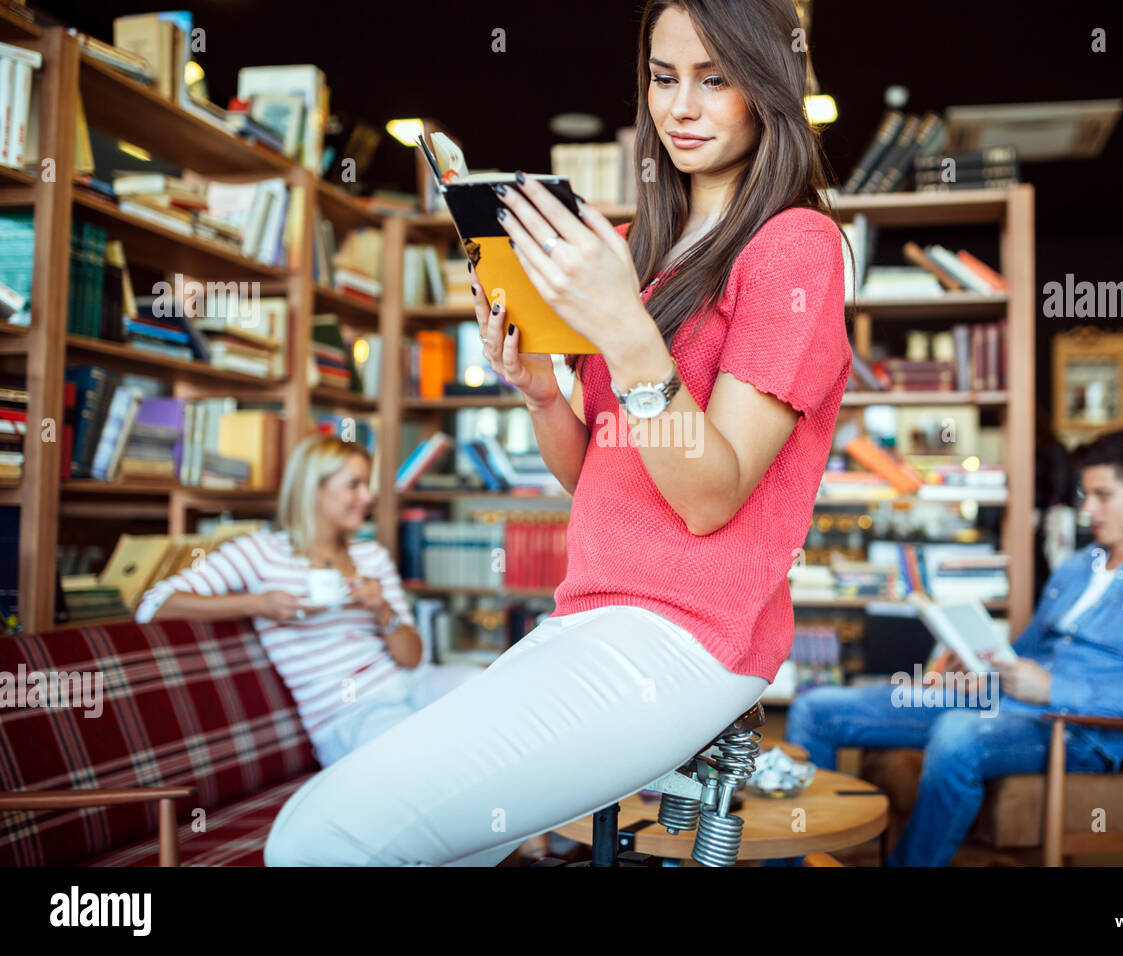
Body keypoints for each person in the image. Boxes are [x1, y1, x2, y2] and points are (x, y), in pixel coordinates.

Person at [263, 0, 852, 866]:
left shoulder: (793, 246)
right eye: (662, 78)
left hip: (687, 635)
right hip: (589, 615)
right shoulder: (639, 253)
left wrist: (622, 327)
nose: (680, 107)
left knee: (319, 837)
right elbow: (601, 481)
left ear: (767, 89)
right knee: (438, 847)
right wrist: (543, 393)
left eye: (714, 80)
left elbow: (709, 496)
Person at [785, 429, 1123, 866]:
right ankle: (793, 860)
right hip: (1002, 700)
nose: (1087, 508)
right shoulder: (1076, 568)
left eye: (1103, 495)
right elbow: (1024, 651)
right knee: (816, 709)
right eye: (1084, 494)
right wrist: (982, 662)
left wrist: (1053, 689)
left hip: (1073, 731)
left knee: (957, 734)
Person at [134, 434, 485, 768]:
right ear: (313, 489)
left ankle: (523, 827)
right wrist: (259, 604)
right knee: (439, 760)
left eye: (367, 485)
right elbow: (152, 605)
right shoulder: (261, 553)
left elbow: (413, 658)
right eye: (354, 485)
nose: (367, 496)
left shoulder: (371, 557)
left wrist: (382, 609)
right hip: (350, 713)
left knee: (491, 693)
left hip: (410, 685)